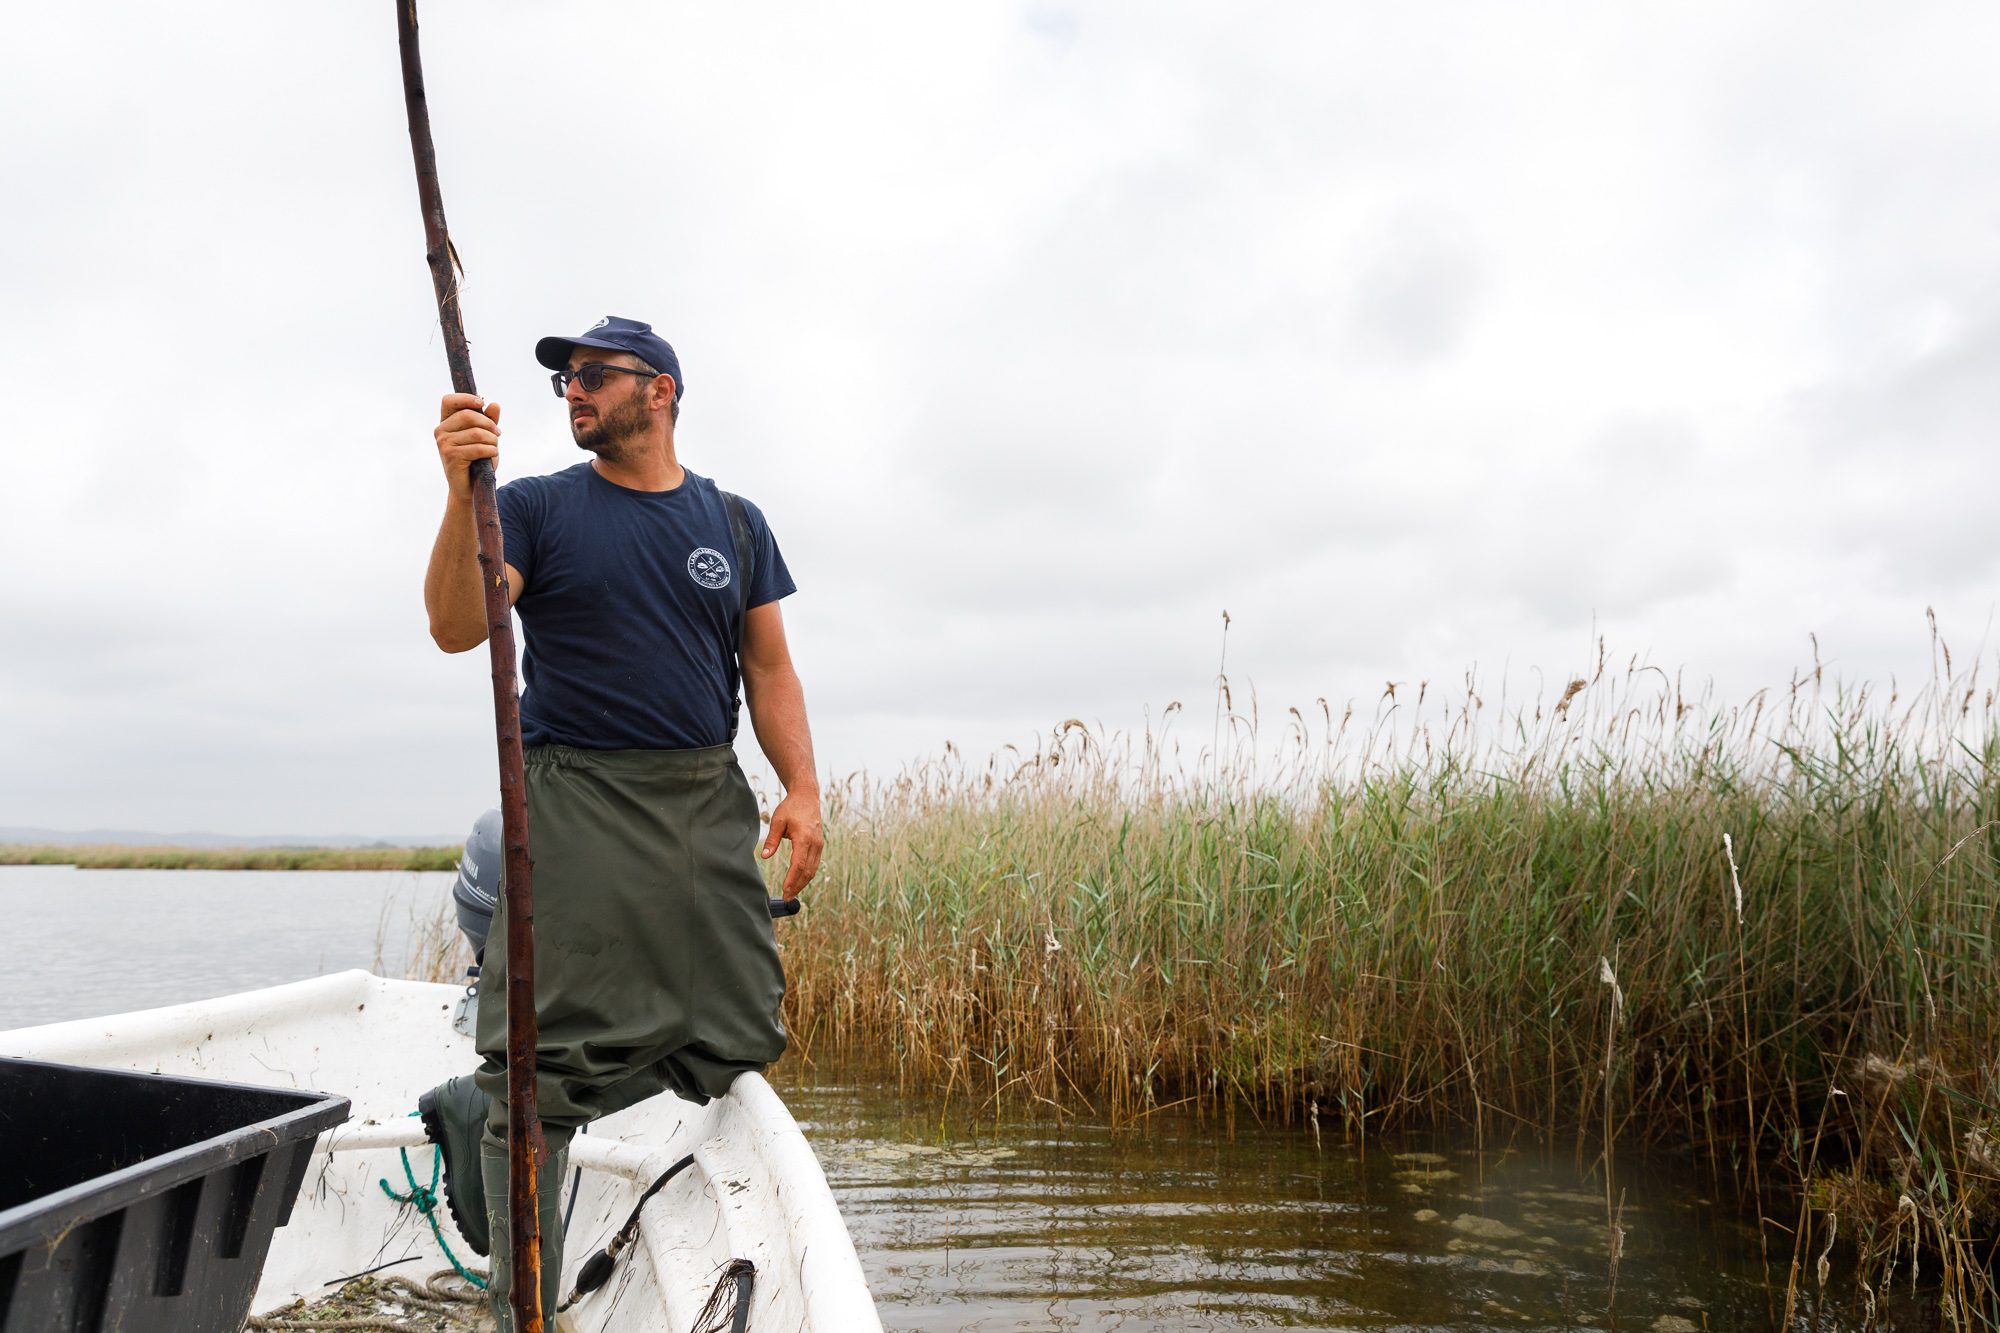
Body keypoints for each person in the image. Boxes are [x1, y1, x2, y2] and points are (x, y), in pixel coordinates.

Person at [418, 316, 824, 1327]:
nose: (575, 390)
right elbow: (457, 625)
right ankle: (525, 1306)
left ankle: (480, 1105)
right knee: (544, 1076)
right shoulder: (534, 508)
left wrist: (802, 787)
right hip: (576, 803)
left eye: (596, 374)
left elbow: (768, 667)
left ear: (661, 389)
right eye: (566, 379)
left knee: (737, 1035)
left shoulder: (735, 524)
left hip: (702, 799)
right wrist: (459, 492)